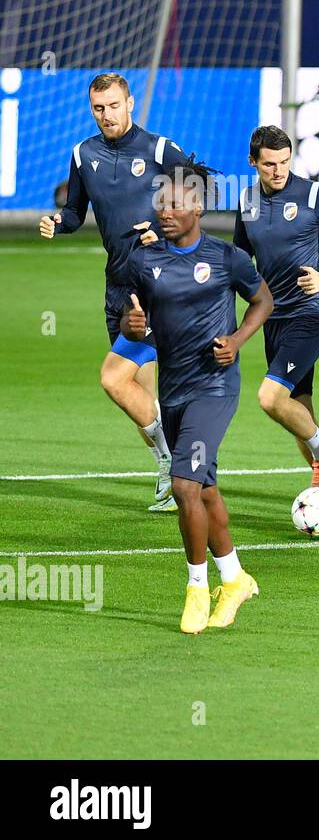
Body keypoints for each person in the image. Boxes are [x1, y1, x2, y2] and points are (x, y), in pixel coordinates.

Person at [119, 159, 273, 633]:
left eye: (175, 202)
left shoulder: (227, 258)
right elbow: (132, 319)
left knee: (184, 485)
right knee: (203, 489)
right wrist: (133, 326)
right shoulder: (144, 262)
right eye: (160, 202)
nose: (165, 210)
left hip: (215, 387)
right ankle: (236, 578)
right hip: (174, 389)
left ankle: (196, 588)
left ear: (199, 207)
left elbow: (263, 300)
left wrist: (238, 340)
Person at [40, 72, 190, 513]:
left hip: (161, 283)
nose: (106, 115)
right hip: (119, 285)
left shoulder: (160, 150)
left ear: (129, 103)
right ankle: (179, 478)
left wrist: (163, 230)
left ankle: (174, 465)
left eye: (113, 106)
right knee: (144, 395)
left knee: (114, 378)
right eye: (98, 109)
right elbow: (75, 212)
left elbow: (203, 196)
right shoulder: (83, 154)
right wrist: (58, 223)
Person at [235, 125, 319, 521]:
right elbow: (242, 261)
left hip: (312, 313)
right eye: (269, 164)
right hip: (274, 318)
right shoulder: (246, 201)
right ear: (253, 162)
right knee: (299, 410)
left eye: (284, 162)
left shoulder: (315, 196)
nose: (278, 171)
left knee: (270, 398)